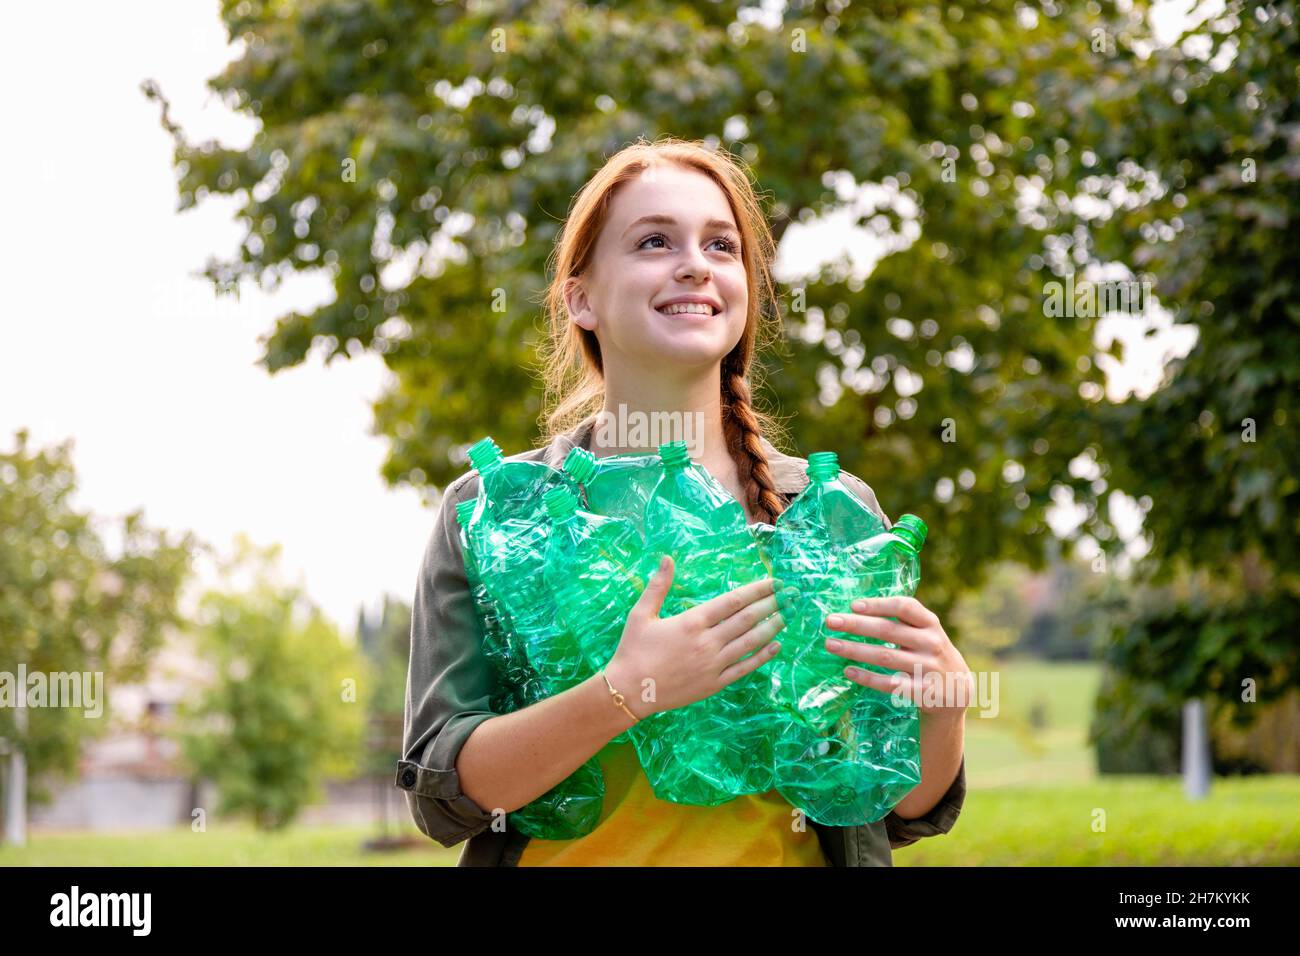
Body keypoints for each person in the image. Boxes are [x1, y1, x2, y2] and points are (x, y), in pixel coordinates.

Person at [397, 136, 972, 866]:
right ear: (581, 297)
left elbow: (889, 810)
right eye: (654, 240)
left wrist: (942, 709)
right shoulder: (491, 512)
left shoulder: (828, 510)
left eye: (721, 245)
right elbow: (441, 795)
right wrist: (625, 692)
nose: (695, 263)